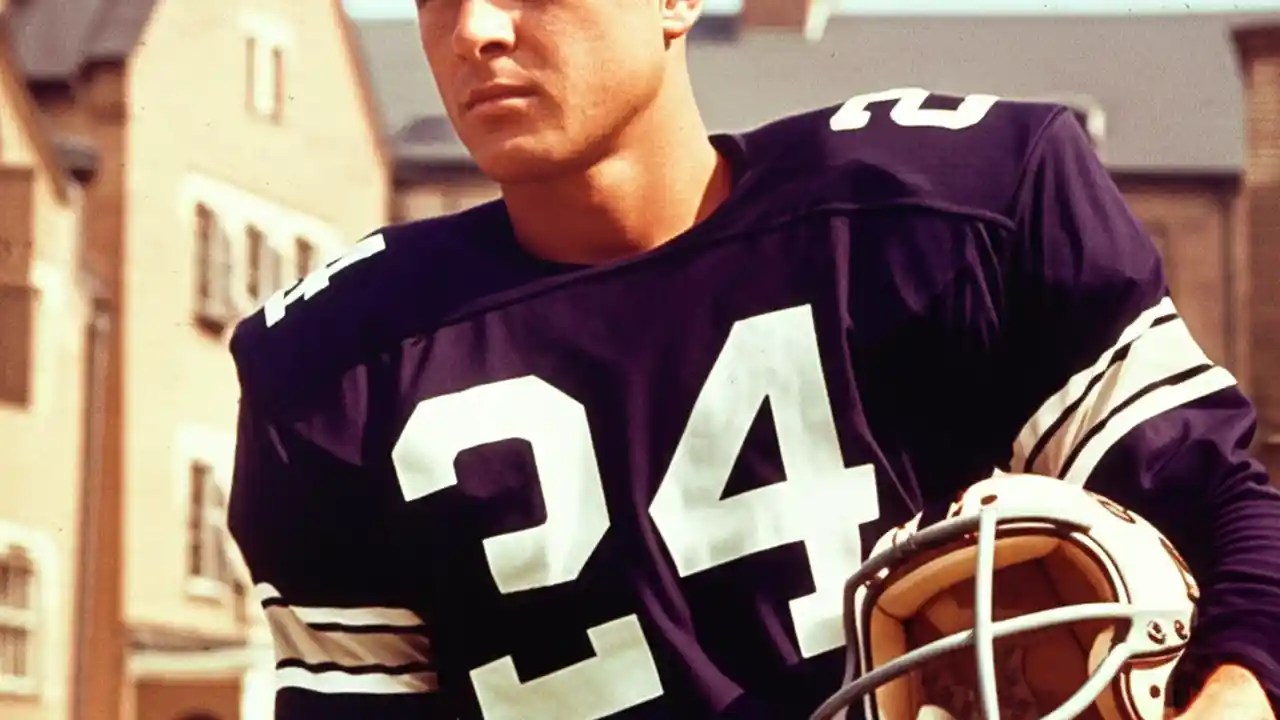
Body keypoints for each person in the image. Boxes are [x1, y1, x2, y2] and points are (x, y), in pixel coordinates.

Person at [225, 0, 1280, 717]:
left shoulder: (953, 214)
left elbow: (1225, 514)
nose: (476, 32)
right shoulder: (334, 367)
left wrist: (1229, 700)